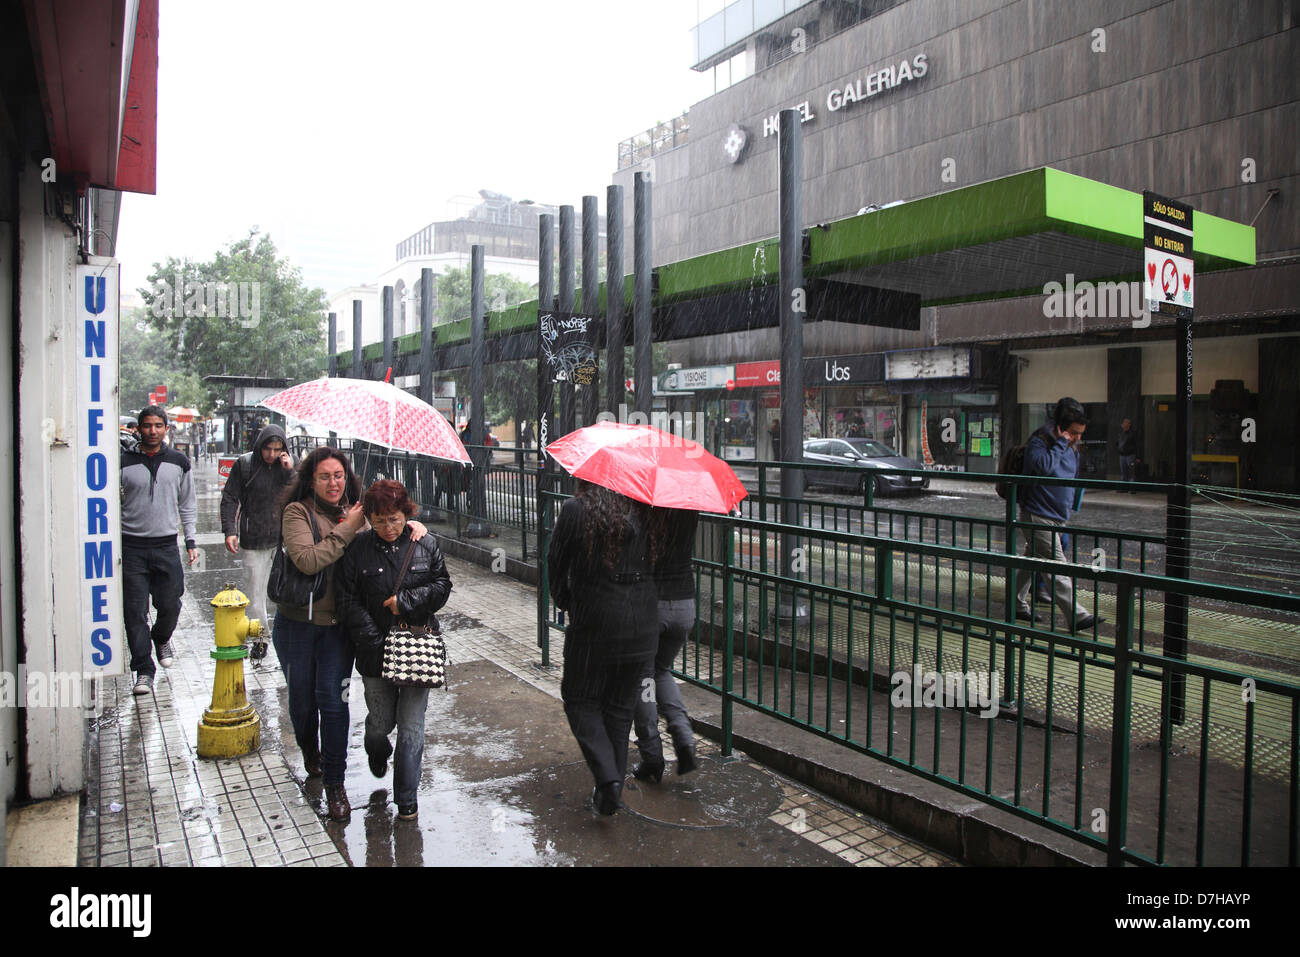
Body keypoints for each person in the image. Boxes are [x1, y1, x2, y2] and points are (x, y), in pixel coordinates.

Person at [336, 480, 451, 821]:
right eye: (380, 520)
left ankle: (406, 799)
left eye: (395, 519)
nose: (388, 527)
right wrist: (374, 640)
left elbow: (442, 585)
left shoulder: (424, 543)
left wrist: (406, 601)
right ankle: (377, 749)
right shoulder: (357, 550)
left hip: (417, 649)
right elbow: (347, 601)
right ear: (369, 518)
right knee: (379, 725)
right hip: (374, 655)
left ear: (407, 515)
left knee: (412, 726)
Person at [548, 481, 659, 816]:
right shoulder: (644, 509)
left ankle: (609, 780)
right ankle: (609, 790)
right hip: (641, 625)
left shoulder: (574, 510)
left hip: (594, 623)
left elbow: (555, 564)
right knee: (619, 709)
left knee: (580, 698)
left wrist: (567, 601)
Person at [120, 406, 198, 696]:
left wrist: (191, 541)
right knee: (134, 612)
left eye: (158, 425)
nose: (152, 431)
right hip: (132, 548)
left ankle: (162, 636)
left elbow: (188, 504)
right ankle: (143, 668)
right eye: (147, 425)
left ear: (166, 428)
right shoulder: (122, 462)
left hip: (166, 545)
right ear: (138, 428)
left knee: (171, 604)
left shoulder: (179, 462)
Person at [1015, 398, 1102, 631]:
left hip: (1055, 515)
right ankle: (1076, 615)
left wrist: (1071, 504)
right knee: (1056, 564)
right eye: (1074, 433)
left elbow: (1070, 478)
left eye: (1081, 434)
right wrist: (1061, 443)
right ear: (1061, 428)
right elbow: (1043, 467)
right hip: (1037, 513)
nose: (1078, 438)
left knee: (1031, 562)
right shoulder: (1041, 441)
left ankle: (1016, 604)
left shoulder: (1071, 447)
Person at [631, 508, 699, 782]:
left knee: (643, 677)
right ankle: (683, 736)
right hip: (684, 606)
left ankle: (652, 758)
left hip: (651, 606)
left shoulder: (644, 506)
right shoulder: (689, 505)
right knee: (661, 670)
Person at [220, 424, 295, 629]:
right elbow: (230, 497)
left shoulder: (290, 465)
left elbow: (303, 494)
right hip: (254, 538)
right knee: (255, 592)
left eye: (277, 449)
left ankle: (285, 633)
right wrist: (230, 530)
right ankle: (260, 635)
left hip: (284, 540)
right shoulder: (245, 465)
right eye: (267, 449)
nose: (271, 454)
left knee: (288, 589)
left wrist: (291, 471)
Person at [1116, 417, 1140, 489]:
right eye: (1123, 423)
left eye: (1125, 422)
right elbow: (1118, 442)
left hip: (1130, 455)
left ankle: (1132, 487)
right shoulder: (1121, 434)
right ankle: (1124, 487)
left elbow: (1136, 445)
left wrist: (1137, 457)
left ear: (1129, 424)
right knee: (1124, 473)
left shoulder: (1132, 434)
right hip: (1122, 455)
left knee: (1131, 472)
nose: (1123, 424)